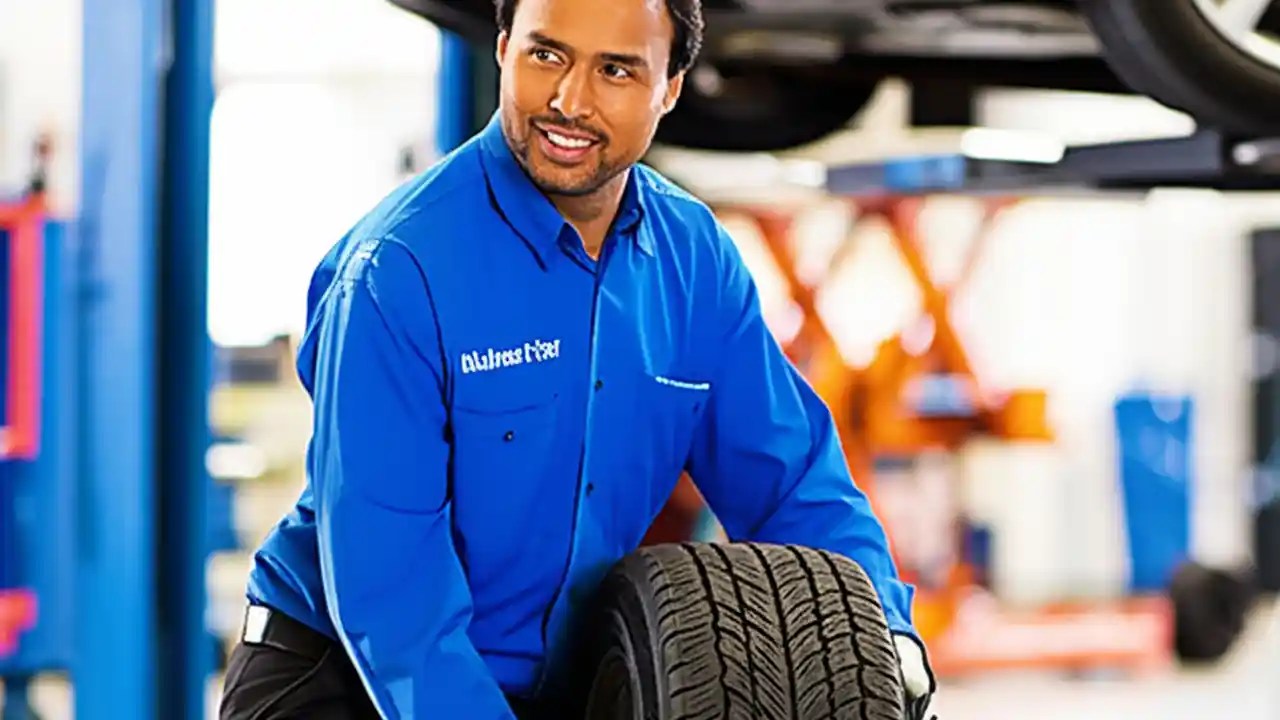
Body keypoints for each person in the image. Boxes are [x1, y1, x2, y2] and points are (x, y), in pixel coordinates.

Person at [218, 0, 936, 717]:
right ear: (503, 48)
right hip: (348, 675)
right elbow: (391, 597)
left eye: (616, 71)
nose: (569, 100)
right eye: (546, 55)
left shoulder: (692, 260)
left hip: (555, 681)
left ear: (670, 88)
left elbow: (791, 486)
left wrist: (884, 641)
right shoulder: (397, 271)